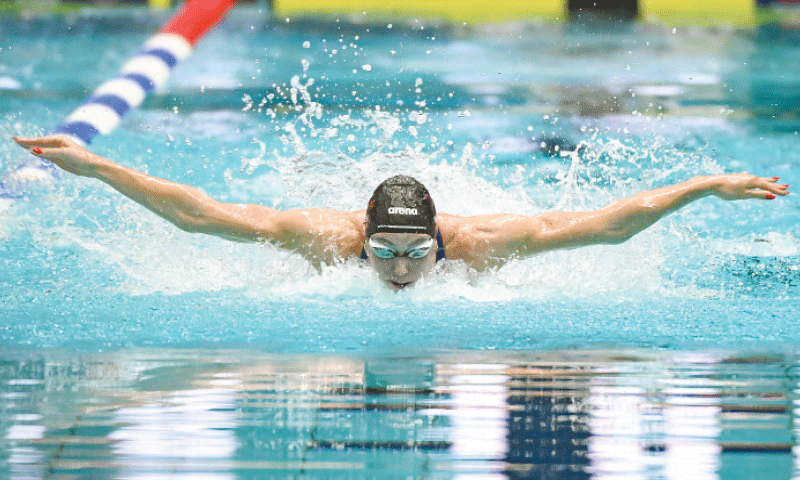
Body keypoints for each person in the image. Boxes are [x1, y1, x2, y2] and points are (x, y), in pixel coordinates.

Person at [12, 135, 790, 290]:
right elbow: (199, 215)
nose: (400, 269)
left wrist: (703, 185)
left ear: (438, 238)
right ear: (364, 232)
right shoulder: (324, 238)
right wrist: (98, 167)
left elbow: (610, 225)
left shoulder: (481, 243)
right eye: (384, 252)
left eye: (415, 254)